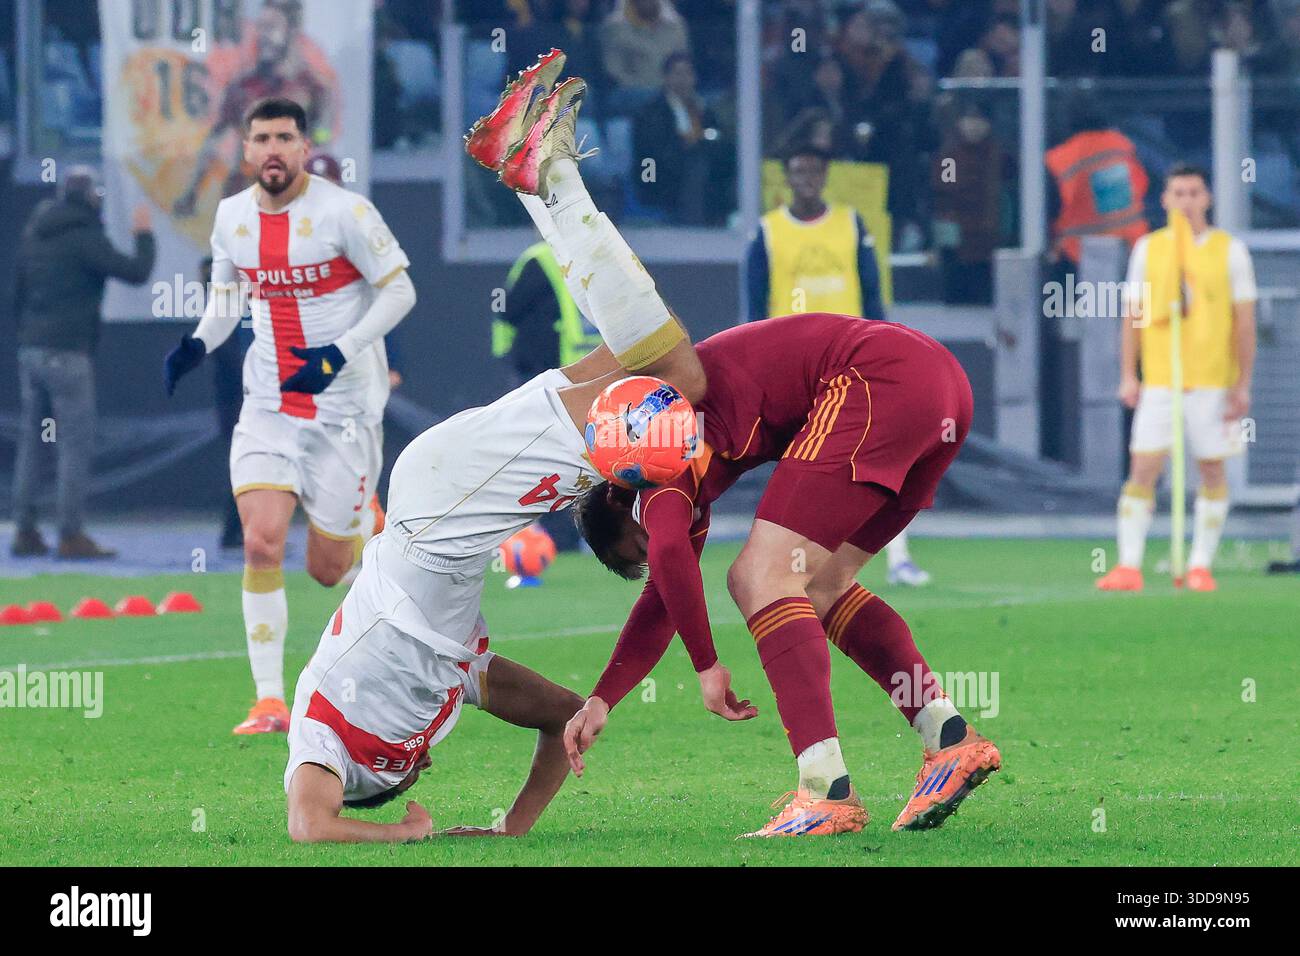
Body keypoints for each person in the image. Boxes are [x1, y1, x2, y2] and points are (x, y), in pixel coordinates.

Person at [283, 56, 708, 839]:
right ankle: (534, 171)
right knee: (663, 355)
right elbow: (564, 719)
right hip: (447, 498)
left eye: (413, 767)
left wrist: (405, 834)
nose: (429, 765)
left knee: (679, 380)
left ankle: (547, 179)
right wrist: (512, 831)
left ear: (391, 773)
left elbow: (309, 827)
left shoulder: (321, 731)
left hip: (449, 513)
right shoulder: (452, 678)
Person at [162, 97, 417, 735]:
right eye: (261, 138)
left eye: (284, 137)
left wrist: (338, 354)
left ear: (304, 147)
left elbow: (401, 290)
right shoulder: (230, 219)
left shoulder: (345, 212)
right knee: (260, 541)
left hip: (345, 409)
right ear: (246, 151)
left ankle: (371, 532)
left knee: (328, 571)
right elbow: (226, 301)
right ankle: (269, 700)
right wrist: (197, 344)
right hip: (269, 404)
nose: (272, 149)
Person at [745, 144, 931, 587]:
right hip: (795, 371)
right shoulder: (768, 232)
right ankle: (793, 561)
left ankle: (898, 557)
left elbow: (873, 295)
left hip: (855, 367)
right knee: (800, 467)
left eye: (813, 171)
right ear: (786, 179)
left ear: (825, 175)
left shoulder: (850, 225)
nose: (805, 180)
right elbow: (754, 310)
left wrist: (891, 356)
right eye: (797, 172)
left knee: (875, 461)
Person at [1098, 164, 1257, 593]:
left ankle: (1201, 563)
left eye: (1194, 192)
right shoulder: (1150, 249)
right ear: (1165, 199)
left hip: (1211, 380)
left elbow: (1244, 322)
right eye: (1178, 193)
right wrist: (1129, 375)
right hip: (1162, 380)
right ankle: (1129, 564)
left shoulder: (1231, 251)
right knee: (1144, 465)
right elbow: (1132, 314)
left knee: (1211, 468)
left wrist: (1242, 383)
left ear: (1206, 198)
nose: (1186, 201)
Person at [11, 166, 155, 559]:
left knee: (34, 442)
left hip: (31, 350)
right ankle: (70, 534)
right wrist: (143, 234)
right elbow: (136, 273)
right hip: (68, 354)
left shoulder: (34, 232)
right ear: (91, 198)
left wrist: (27, 338)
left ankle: (24, 530)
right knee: (73, 445)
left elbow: (16, 294)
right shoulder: (85, 237)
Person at [495, 239, 605, 550]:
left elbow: (508, 309)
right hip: (594, 373)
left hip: (546, 377)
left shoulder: (538, 259)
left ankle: (554, 535)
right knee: (589, 455)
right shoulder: (600, 251)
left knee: (543, 456)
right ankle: (580, 534)